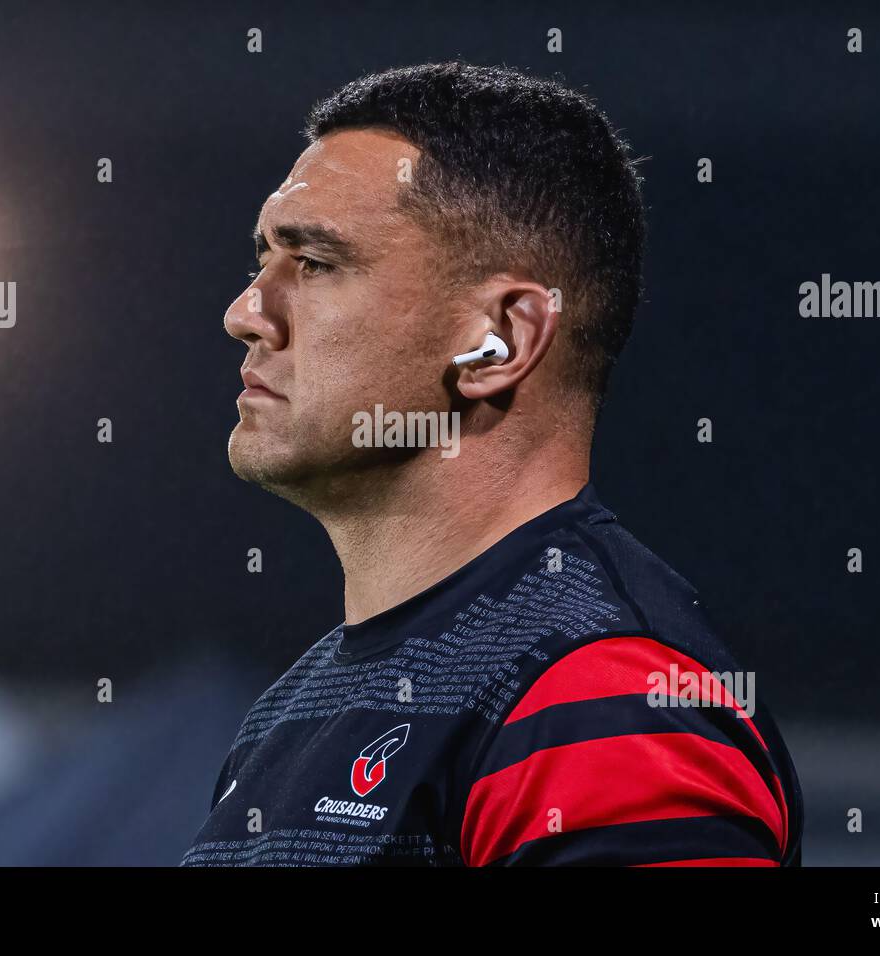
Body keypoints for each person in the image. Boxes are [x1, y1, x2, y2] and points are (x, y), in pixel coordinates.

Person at [182, 61, 802, 866]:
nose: (245, 314)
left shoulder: (604, 701)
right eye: (261, 260)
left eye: (317, 264)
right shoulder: (289, 712)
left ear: (500, 342)